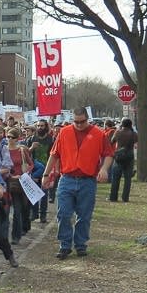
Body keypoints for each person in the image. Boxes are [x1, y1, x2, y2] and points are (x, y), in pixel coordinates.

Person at [42, 108, 114, 259]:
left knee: (84, 215)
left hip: (87, 181)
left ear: (88, 119)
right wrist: (46, 174)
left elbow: (108, 155)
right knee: (63, 213)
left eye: (82, 122)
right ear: (72, 119)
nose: (79, 125)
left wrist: (104, 169)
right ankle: (65, 245)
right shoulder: (64, 132)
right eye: (76, 122)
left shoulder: (98, 134)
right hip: (67, 179)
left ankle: (80, 245)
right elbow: (54, 155)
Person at [27, 120, 54, 223]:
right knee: (33, 193)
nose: (40, 128)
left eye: (42, 126)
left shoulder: (51, 140)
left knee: (44, 193)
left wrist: (53, 170)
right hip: (34, 170)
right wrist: (32, 147)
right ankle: (34, 213)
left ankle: (43, 215)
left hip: (46, 170)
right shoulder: (31, 139)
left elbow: (54, 155)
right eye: (38, 126)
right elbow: (26, 154)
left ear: (46, 127)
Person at [109, 119, 138, 202]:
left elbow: (112, 141)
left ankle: (113, 197)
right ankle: (125, 198)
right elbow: (136, 143)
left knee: (115, 178)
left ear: (122, 124)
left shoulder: (118, 132)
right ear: (130, 125)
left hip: (119, 156)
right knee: (128, 179)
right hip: (129, 156)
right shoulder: (134, 134)